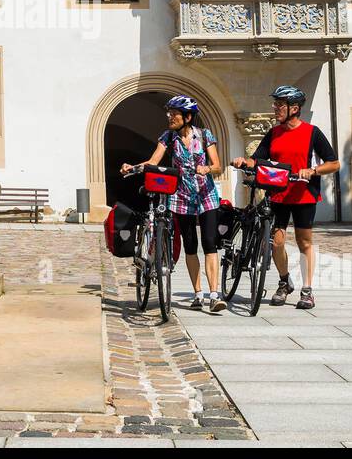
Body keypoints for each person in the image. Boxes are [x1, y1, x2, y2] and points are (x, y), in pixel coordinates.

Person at [230, 85, 339, 311]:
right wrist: (244, 161)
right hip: (278, 194)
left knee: (304, 242)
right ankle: (284, 281)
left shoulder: (312, 132)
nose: (275, 108)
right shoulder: (274, 133)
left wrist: (313, 171)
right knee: (277, 242)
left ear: (294, 108)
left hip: (304, 195)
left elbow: (334, 163)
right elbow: (258, 159)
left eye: (280, 104)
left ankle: (307, 291)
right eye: (276, 103)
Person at [121, 96, 226, 312]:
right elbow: (153, 162)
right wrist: (132, 167)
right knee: (190, 245)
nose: (170, 117)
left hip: (206, 196)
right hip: (181, 197)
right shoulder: (168, 137)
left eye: (174, 114)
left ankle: (214, 295)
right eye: (169, 113)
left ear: (187, 117)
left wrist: (206, 169)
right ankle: (198, 294)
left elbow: (217, 166)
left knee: (209, 243)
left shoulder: (205, 135)